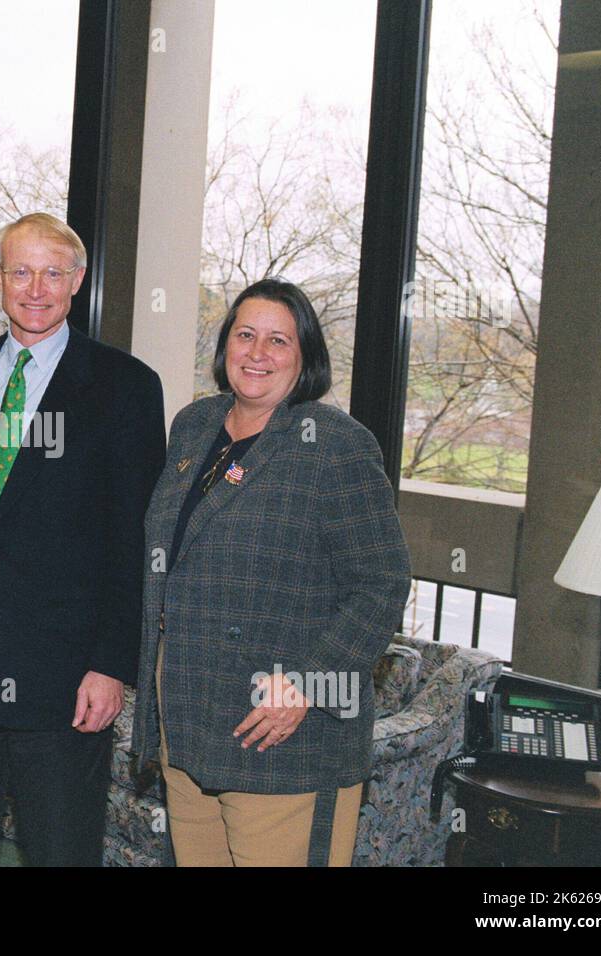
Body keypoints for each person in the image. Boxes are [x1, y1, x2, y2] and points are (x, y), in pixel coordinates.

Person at [0, 212, 166, 866]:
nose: (35, 288)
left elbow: (132, 541)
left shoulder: (126, 388)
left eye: (53, 273)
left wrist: (112, 664)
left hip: (64, 680)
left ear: (77, 281)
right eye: (20, 271)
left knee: (59, 852)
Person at [131, 277, 410, 867]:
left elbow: (381, 584)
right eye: (245, 335)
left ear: (305, 358)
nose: (258, 353)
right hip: (187, 727)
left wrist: (310, 684)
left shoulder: (336, 446)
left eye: (279, 341)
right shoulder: (193, 426)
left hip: (283, 741)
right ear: (225, 345)